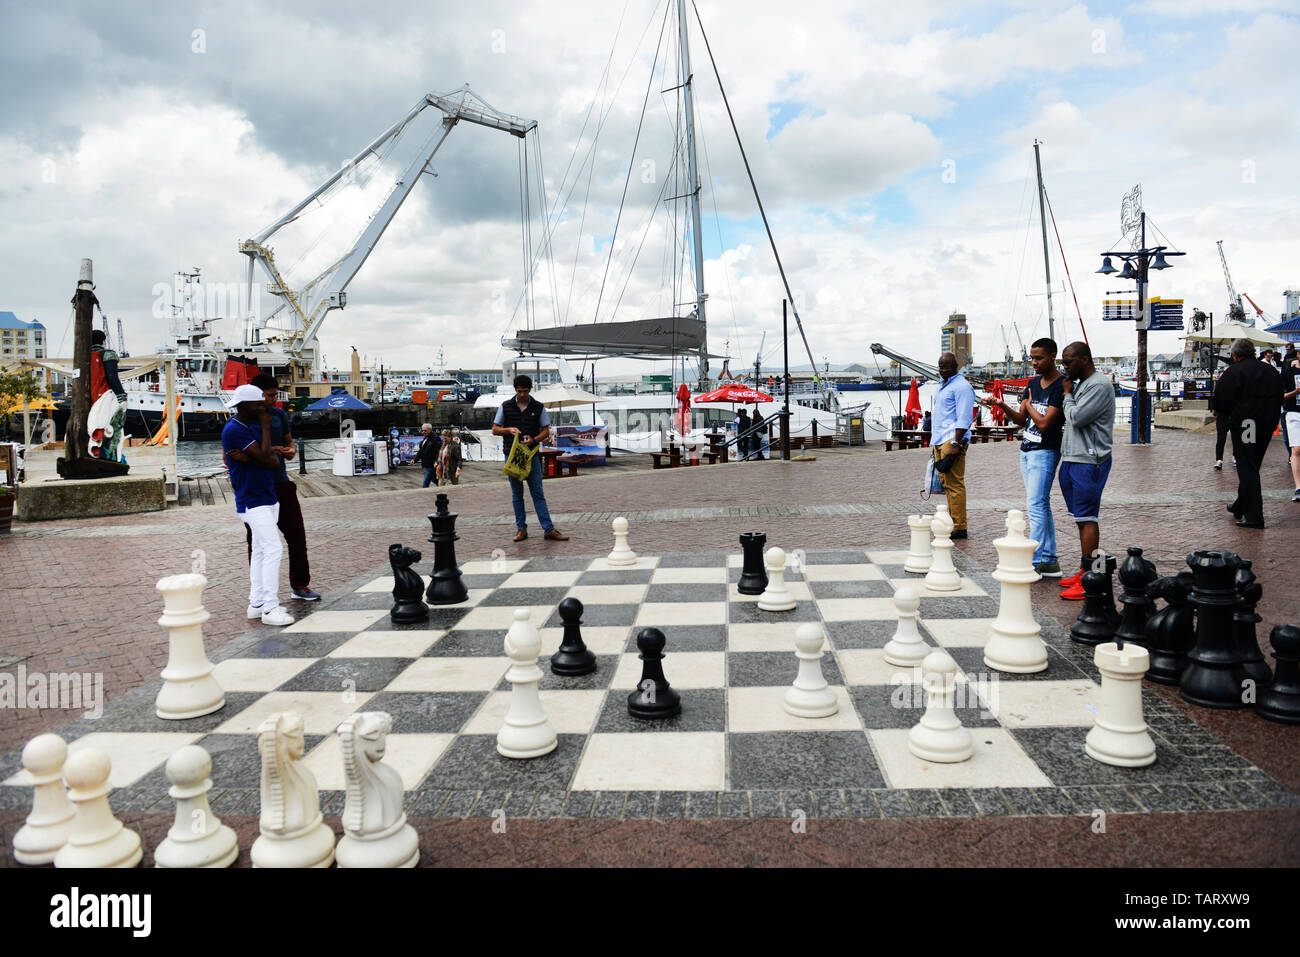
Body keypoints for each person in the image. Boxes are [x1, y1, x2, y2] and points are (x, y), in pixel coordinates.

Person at [982, 337, 1064, 576]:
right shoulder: (1032, 383)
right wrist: (1002, 404)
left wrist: (1027, 406)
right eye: (1032, 358)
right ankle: (1049, 559)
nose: (1034, 362)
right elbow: (1021, 421)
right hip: (1027, 450)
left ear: (1052, 356)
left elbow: (1046, 423)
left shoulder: (1061, 386)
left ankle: (1035, 560)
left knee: (1035, 505)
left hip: (1046, 451)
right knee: (1041, 504)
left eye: (1039, 358)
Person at [221, 384, 294, 625]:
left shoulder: (248, 426)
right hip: (252, 498)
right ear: (245, 406)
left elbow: (270, 459)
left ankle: (257, 602)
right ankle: (270, 608)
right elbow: (267, 459)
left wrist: (263, 452)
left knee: (262, 551)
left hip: (265, 494)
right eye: (259, 405)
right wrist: (264, 438)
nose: (264, 409)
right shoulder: (234, 430)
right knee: (274, 549)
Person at [246, 375, 319, 601]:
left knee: (297, 537)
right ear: (257, 395)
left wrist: (289, 450)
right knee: (257, 544)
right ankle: (259, 593)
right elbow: (232, 455)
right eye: (270, 395)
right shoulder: (243, 421)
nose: (274, 399)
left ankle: (300, 585)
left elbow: (289, 442)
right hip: (257, 489)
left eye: (275, 395)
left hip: (282, 484)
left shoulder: (279, 415)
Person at [1056, 341, 1116, 600]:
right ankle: (1084, 570)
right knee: (1080, 517)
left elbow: (1078, 417)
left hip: (1089, 460)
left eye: (1068, 361)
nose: (1065, 367)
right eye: (1063, 362)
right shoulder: (1083, 384)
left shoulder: (1099, 385)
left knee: (1087, 517)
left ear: (1085, 359)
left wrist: (1068, 395)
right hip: (1073, 457)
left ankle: (1092, 577)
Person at [1214, 338, 1284, 528]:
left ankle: (1254, 516)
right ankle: (1240, 505)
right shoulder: (1270, 371)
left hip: (1247, 424)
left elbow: (1220, 400)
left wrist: (1228, 416)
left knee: (1247, 467)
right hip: (1268, 423)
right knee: (1253, 464)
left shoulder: (1235, 372)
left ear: (1235, 355)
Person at [491, 374, 568, 542]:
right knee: (517, 494)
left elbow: (546, 431)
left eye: (525, 391)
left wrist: (534, 440)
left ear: (530, 389)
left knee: (537, 493)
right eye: (519, 391)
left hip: (531, 455)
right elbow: (495, 429)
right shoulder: (506, 406)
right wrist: (509, 430)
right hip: (512, 457)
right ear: (515, 390)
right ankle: (521, 529)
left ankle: (548, 529)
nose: (522, 395)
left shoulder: (539, 407)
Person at [931, 352, 975, 539]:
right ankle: (953, 521)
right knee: (947, 484)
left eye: (947, 366)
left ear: (956, 366)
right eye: (940, 366)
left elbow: (964, 417)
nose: (943, 370)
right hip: (940, 439)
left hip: (952, 440)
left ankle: (959, 526)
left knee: (955, 484)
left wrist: (956, 443)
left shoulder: (962, 387)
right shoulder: (944, 385)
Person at [1283, 352, 1300, 500]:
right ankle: (1298, 487)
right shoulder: (1290, 373)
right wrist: (1295, 392)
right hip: (1294, 413)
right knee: (1297, 449)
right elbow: (1280, 395)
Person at [415, 423, 442, 488]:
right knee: (434, 479)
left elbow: (439, 451)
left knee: (425, 482)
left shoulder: (435, 438)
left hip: (432, 464)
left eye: (425, 430)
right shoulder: (425, 438)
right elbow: (421, 451)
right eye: (422, 430)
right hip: (427, 464)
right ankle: (442, 487)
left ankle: (424, 494)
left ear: (430, 430)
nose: (423, 432)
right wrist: (415, 459)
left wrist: (436, 461)